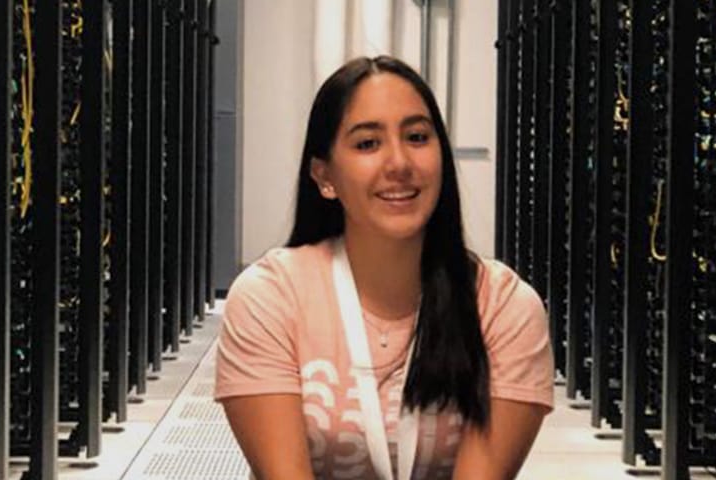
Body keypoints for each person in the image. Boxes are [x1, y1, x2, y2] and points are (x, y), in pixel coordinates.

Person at [215, 56, 554, 480]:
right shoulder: (271, 298)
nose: (398, 163)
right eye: (367, 144)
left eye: (416, 136)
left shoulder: (503, 307)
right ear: (324, 175)